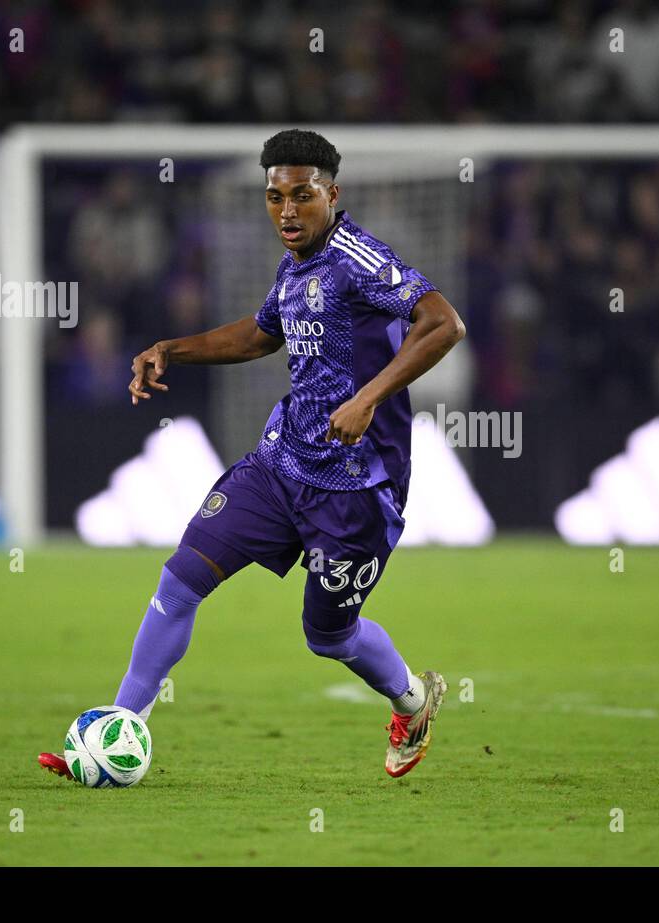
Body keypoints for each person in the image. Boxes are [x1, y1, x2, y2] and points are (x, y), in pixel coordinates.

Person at [40, 129, 466, 779]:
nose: (287, 211)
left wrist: (370, 399)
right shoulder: (294, 266)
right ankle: (118, 728)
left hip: (355, 487)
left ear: (333, 194)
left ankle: (413, 699)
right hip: (280, 462)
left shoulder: (358, 258)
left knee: (328, 636)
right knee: (180, 581)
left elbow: (443, 323)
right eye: (275, 197)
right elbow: (260, 335)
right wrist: (171, 349)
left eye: (302, 196)